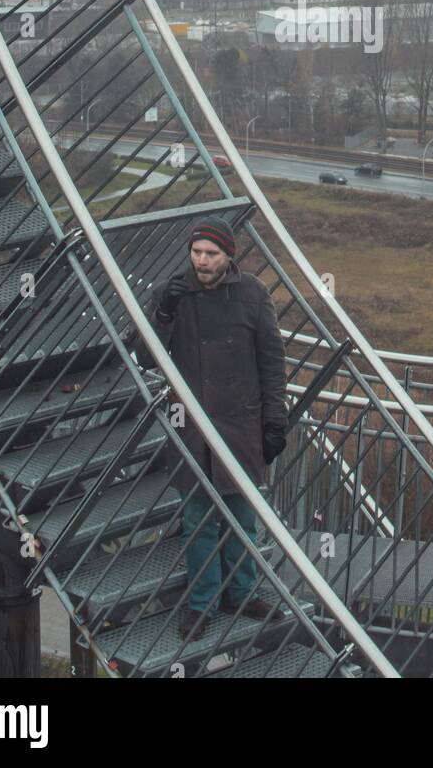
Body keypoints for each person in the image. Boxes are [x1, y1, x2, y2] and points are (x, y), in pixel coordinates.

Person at [136, 219, 288, 637]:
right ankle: (202, 605)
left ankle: (241, 595)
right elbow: (145, 357)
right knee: (199, 519)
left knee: (242, 517)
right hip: (191, 427)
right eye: (197, 252)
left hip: (241, 424)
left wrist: (275, 419)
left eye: (211, 254)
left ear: (228, 257)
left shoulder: (253, 294)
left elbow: (272, 364)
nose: (202, 261)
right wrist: (163, 313)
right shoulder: (171, 294)